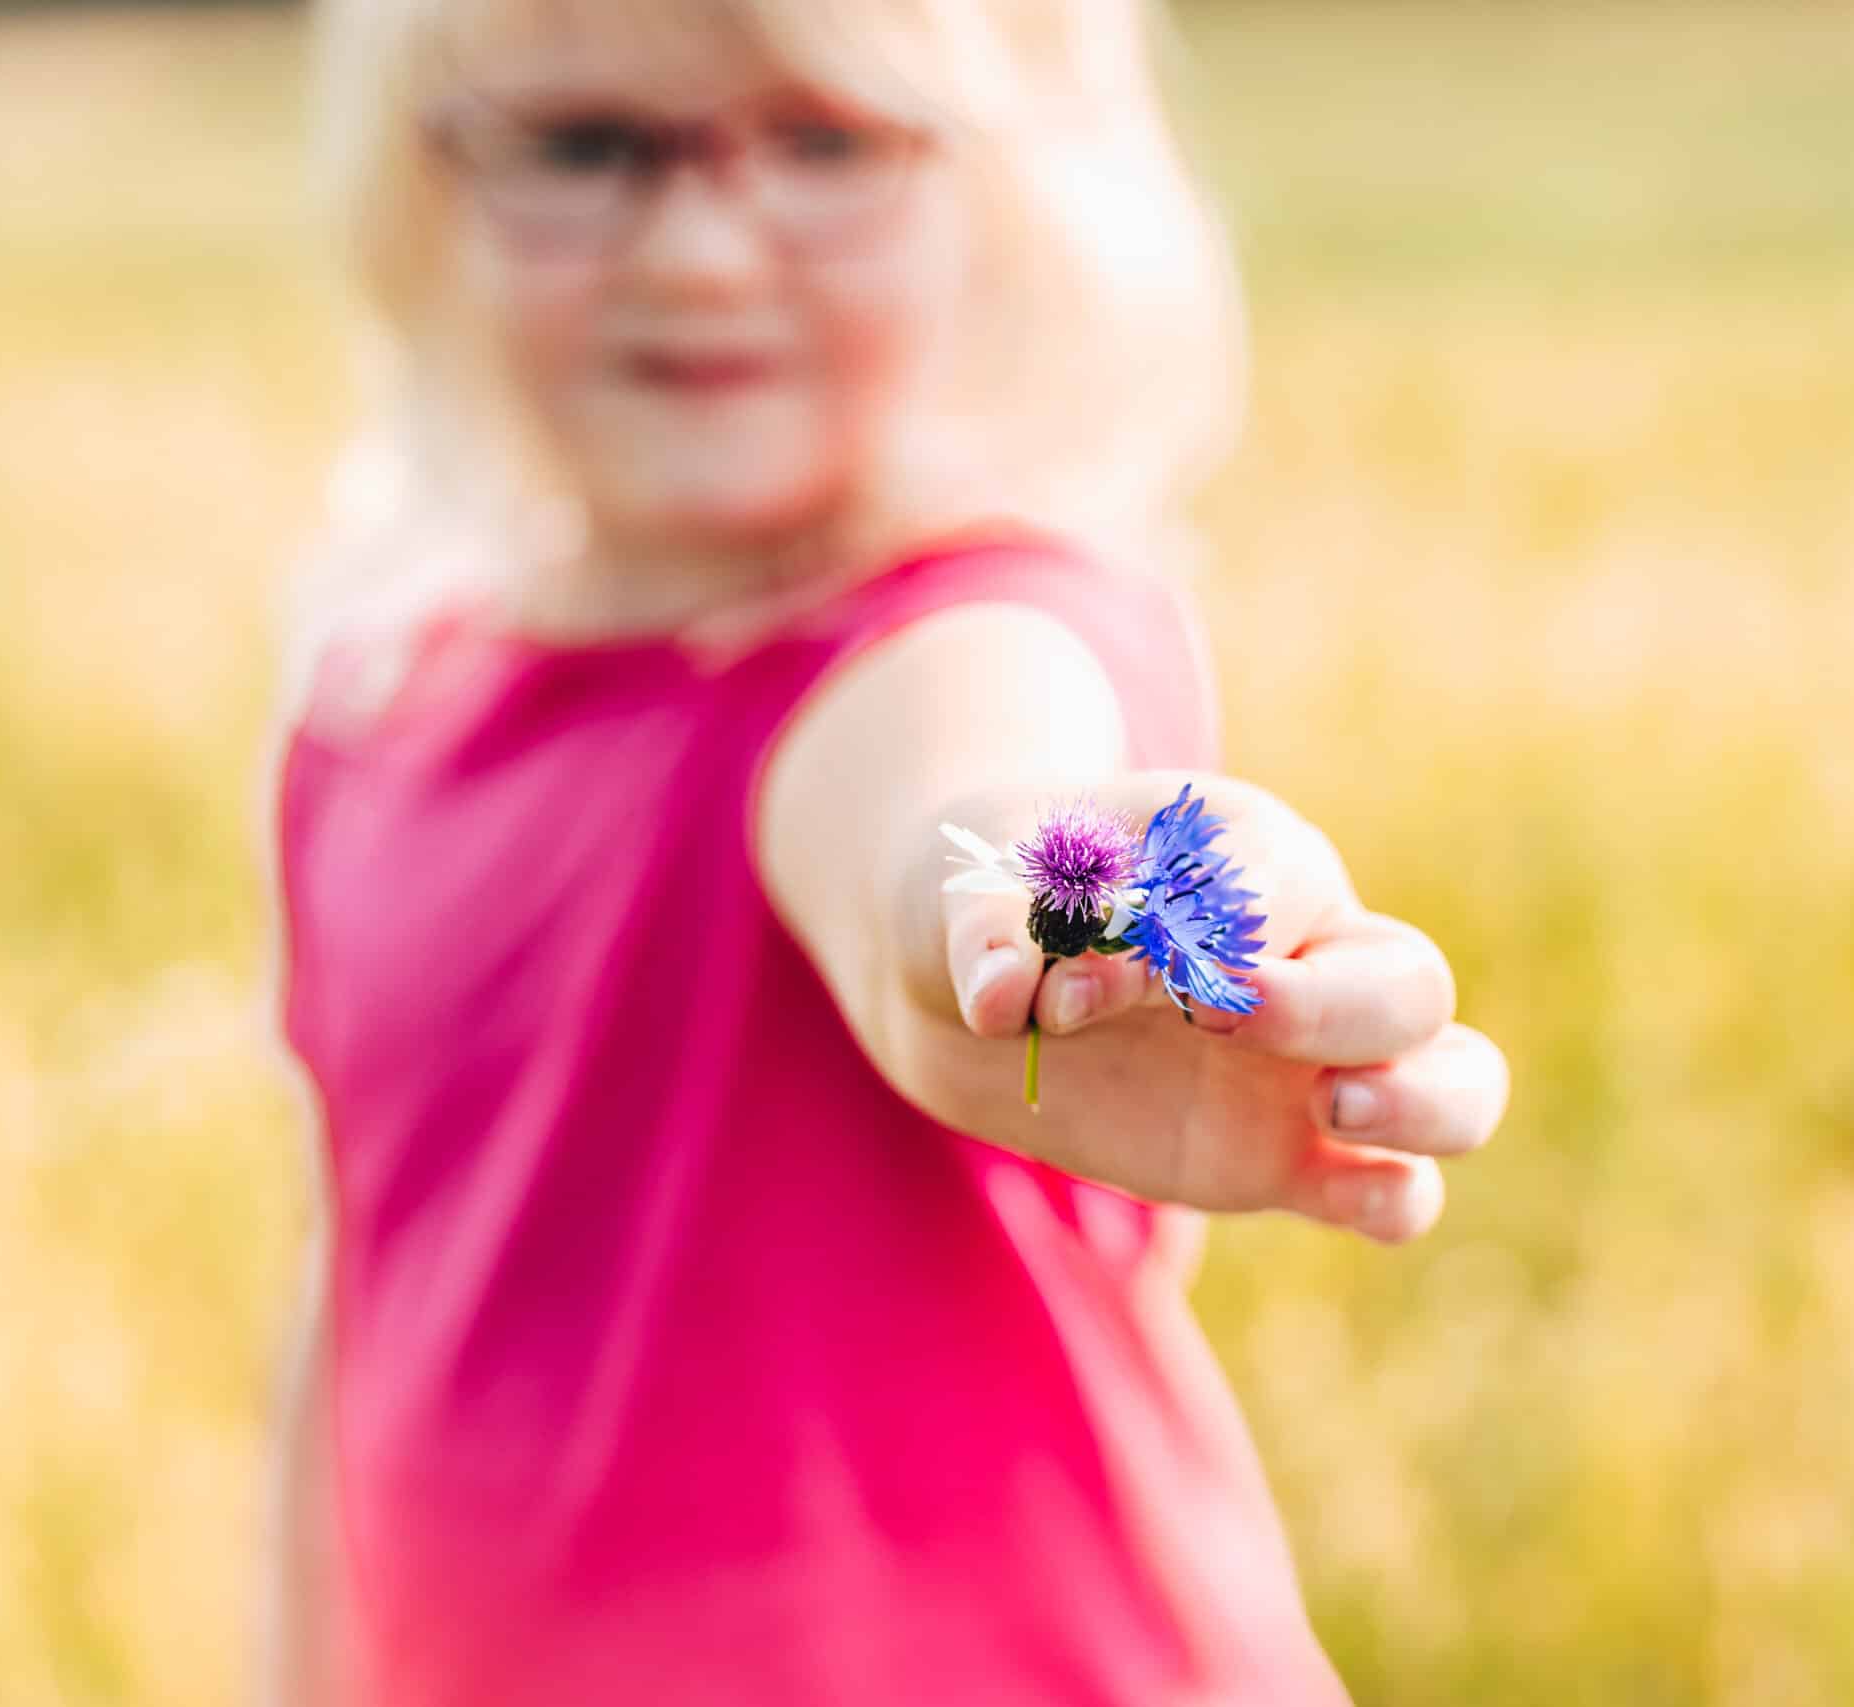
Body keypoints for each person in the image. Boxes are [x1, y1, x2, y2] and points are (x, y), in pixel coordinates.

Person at [259, 0, 1511, 1701]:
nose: (698, 255)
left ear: (1012, 191)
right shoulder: (378, 724)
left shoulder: (960, 636)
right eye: (582, 143)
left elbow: (950, 839)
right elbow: (370, 1302)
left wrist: (1053, 897)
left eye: (827, 139)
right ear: (426, 170)